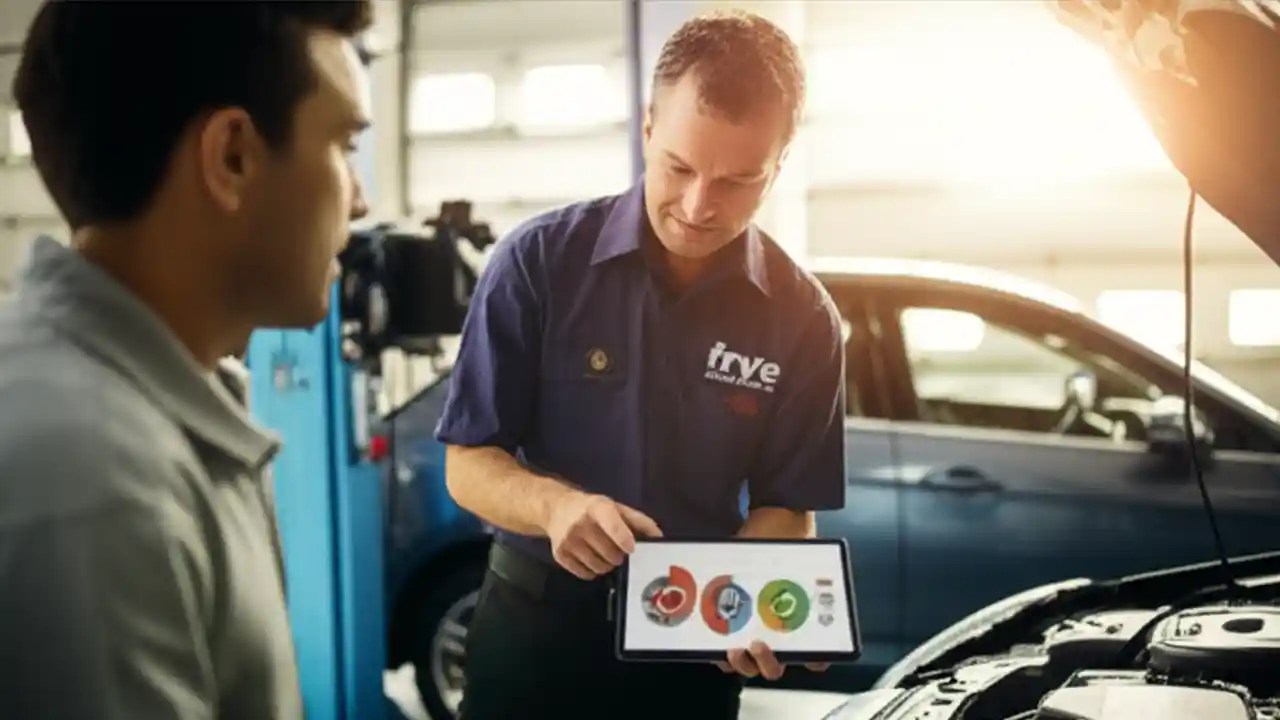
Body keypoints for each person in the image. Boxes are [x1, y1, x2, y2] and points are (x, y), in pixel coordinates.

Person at [436, 9, 847, 719]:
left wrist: (748, 598)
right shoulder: (537, 263)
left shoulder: (804, 318)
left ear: (779, 165)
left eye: (737, 181)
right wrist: (557, 506)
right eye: (680, 168)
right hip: (534, 634)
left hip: (689, 656)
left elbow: (787, 506)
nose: (697, 207)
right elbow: (469, 461)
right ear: (649, 126)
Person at [0, 2, 372, 718]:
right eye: (345, 145)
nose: (358, 201)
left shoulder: (157, 410)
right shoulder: (96, 481)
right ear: (231, 157)